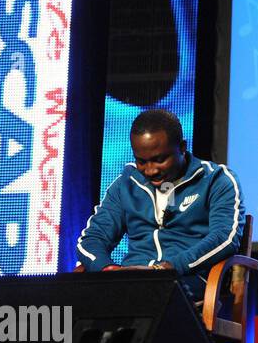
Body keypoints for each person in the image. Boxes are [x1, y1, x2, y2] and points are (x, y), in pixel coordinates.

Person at [76, 109, 245, 300]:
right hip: (132, 280)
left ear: (182, 148)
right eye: (141, 161)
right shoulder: (126, 183)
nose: (150, 170)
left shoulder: (216, 180)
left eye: (159, 160)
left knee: (152, 293)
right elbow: (93, 238)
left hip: (189, 277)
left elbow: (224, 238)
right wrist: (107, 268)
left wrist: (166, 269)